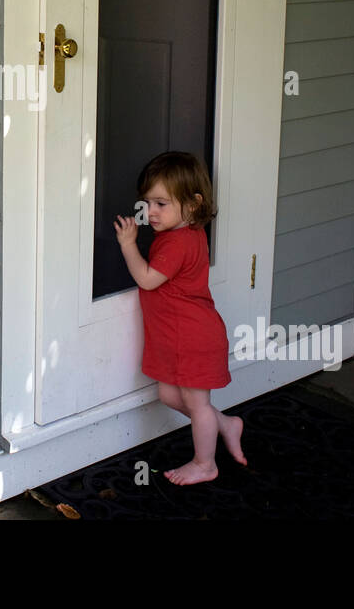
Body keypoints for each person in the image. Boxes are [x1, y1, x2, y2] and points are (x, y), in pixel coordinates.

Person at [113, 151, 247, 485]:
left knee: (197, 403)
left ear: (193, 204)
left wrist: (128, 245)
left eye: (161, 203)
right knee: (171, 396)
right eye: (147, 203)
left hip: (193, 336)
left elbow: (146, 279)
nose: (150, 212)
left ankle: (206, 464)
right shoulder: (185, 234)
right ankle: (227, 425)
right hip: (178, 335)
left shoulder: (177, 244)